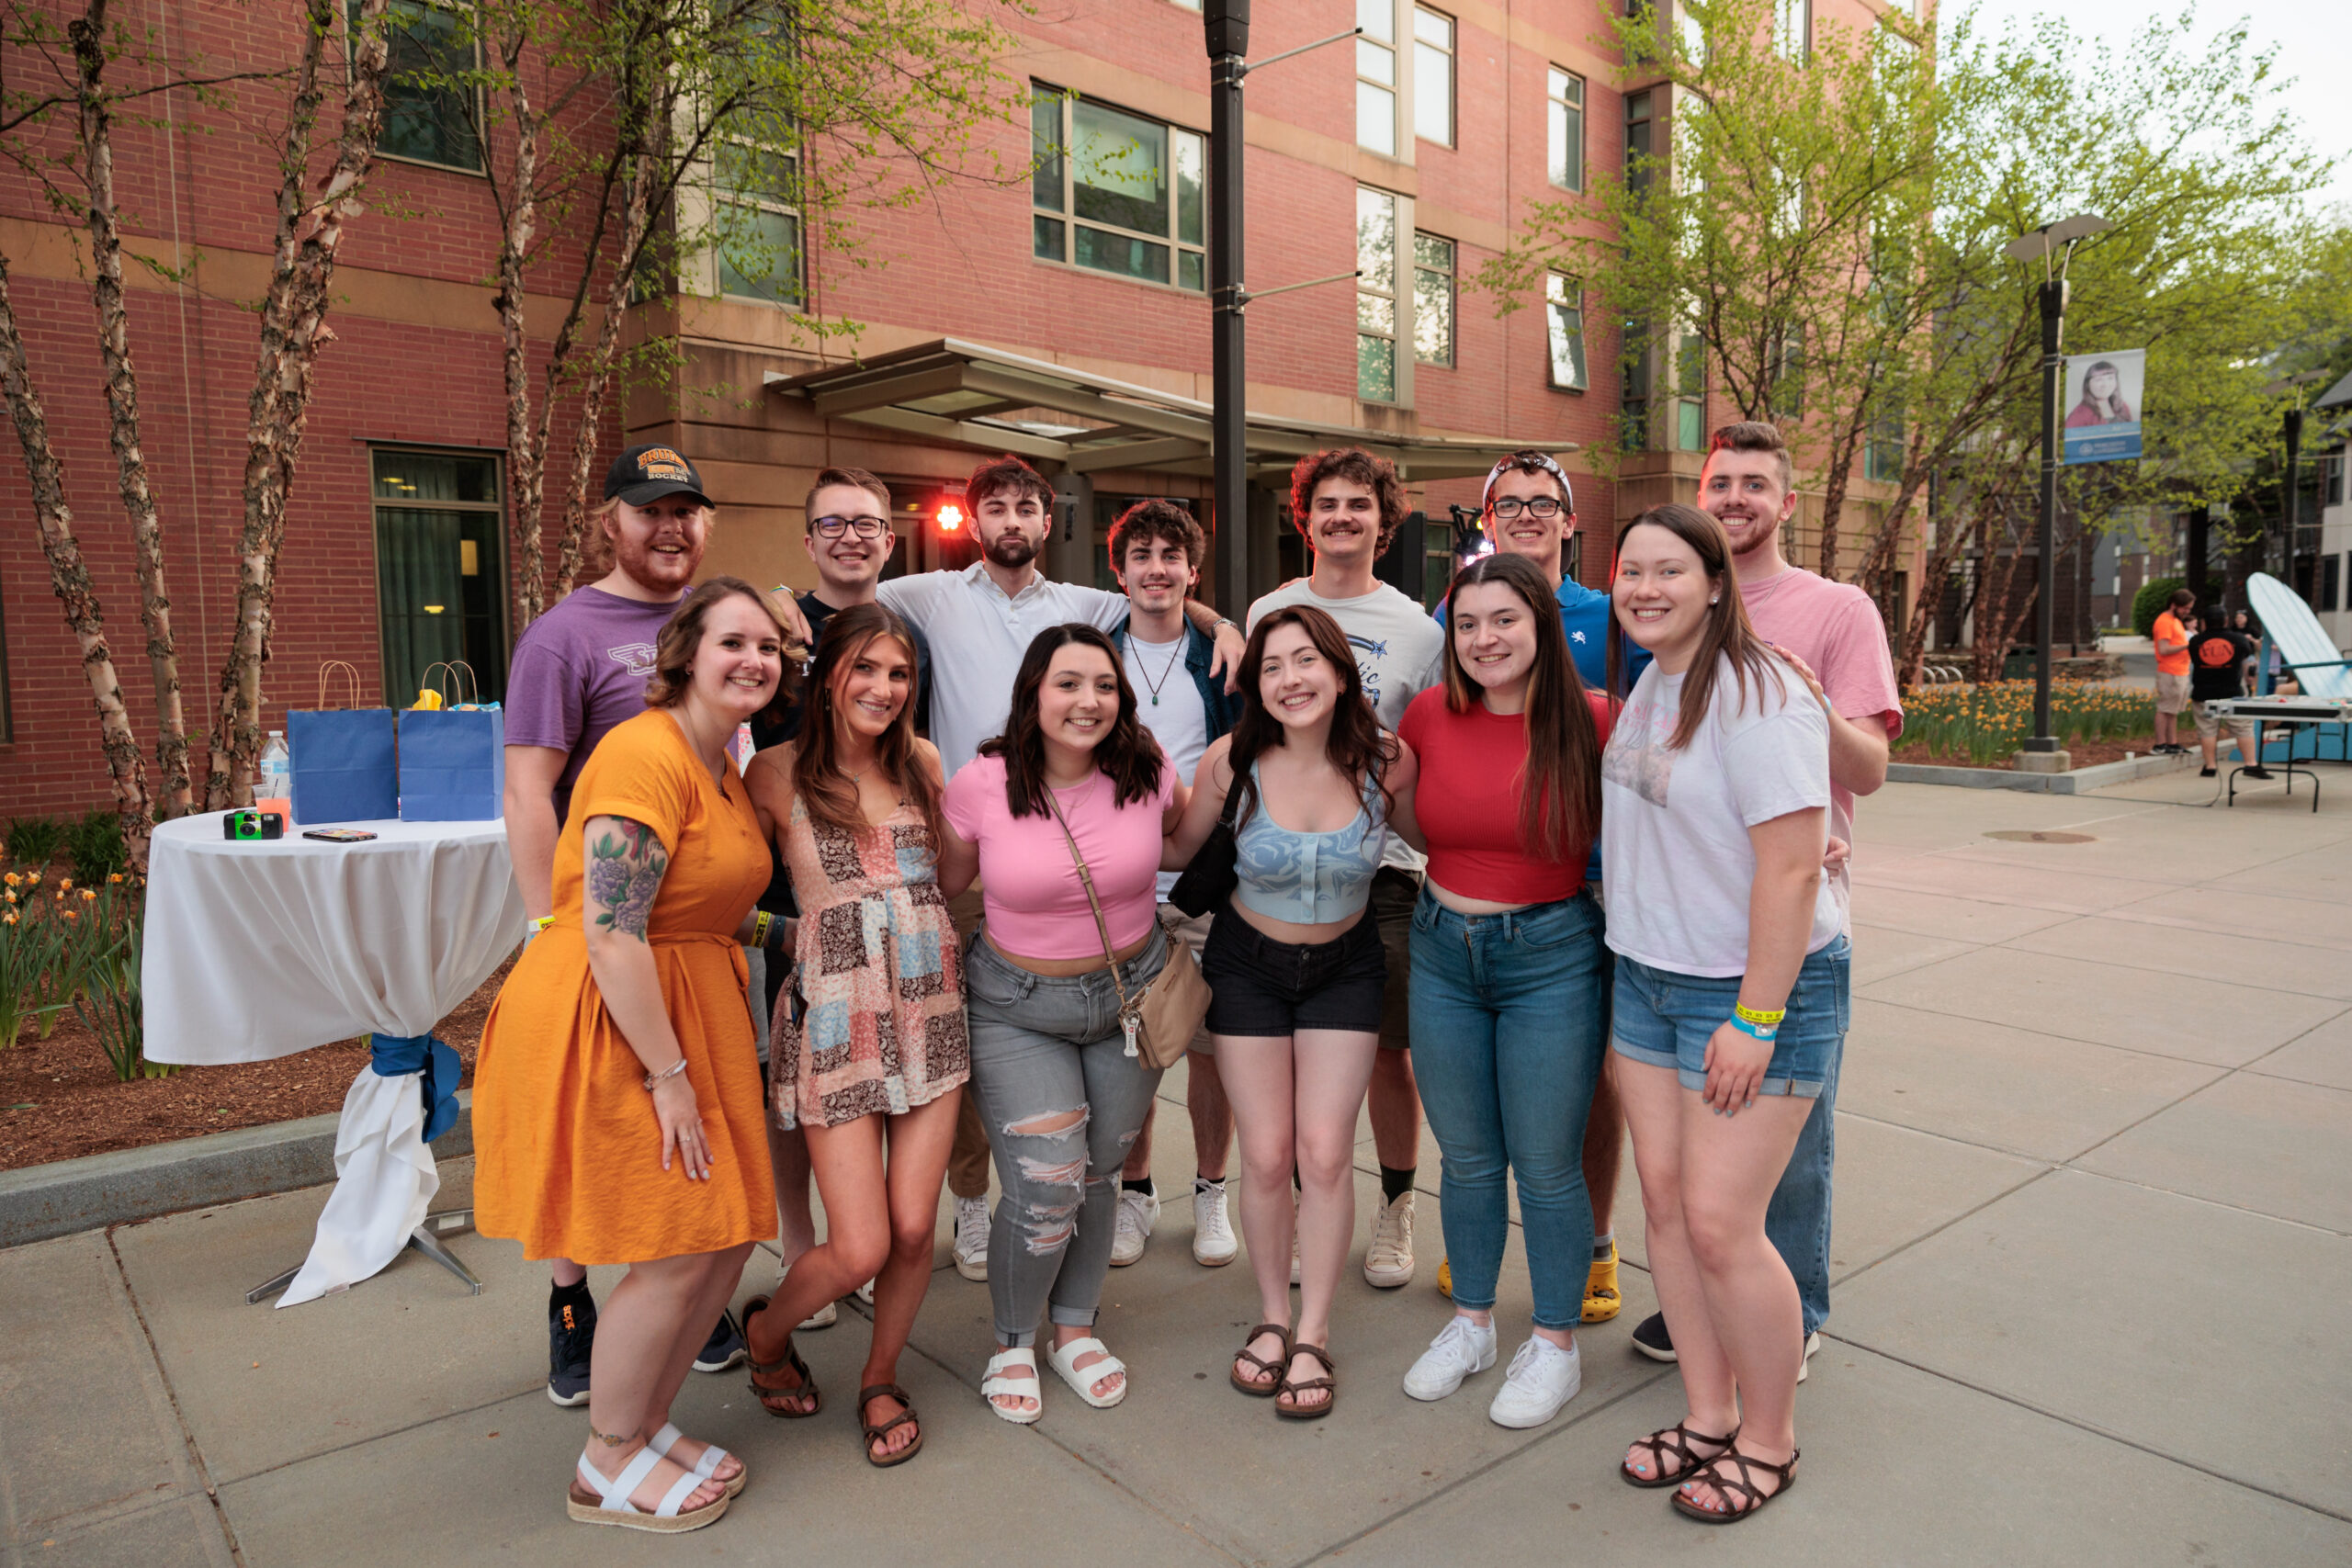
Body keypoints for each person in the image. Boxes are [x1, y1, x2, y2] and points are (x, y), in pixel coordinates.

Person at [474, 578, 802, 1533]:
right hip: (617, 1018)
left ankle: (647, 1424)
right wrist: (670, 1080)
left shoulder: (718, 762)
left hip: (686, 1004)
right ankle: (606, 1461)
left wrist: (801, 930)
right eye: (731, 642)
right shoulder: (642, 751)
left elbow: (706, 901)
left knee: (726, 1228)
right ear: (684, 655)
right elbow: (614, 931)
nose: (753, 660)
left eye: (768, 649)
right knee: (672, 1243)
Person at [877, 457, 1243, 1284]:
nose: (1012, 520)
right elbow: (850, 600)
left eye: (1028, 507)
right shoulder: (927, 594)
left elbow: (1175, 599)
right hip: (994, 841)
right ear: (974, 522)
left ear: (1050, 523)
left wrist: (1226, 628)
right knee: (968, 1042)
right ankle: (975, 1195)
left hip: (1148, 856)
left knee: (1173, 1043)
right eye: (996, 507)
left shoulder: (1084, 607)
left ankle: (1167, 1189)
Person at [500, 446, 808, 1404]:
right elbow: (529, 795)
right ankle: (606, 1415)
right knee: (656, 1225)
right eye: (650, 509)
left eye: (688, 511)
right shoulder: (574, 651)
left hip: (684, 969)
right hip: (615, 977)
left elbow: (701, 884)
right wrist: (558, 932)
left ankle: (640, 1413)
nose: (670, 526)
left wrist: (780, 935)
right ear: (612, 521)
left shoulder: (715, 743)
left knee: (702, 1229)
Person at [1627, 422, 1901, 1377]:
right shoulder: (1666, 619)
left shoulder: (1834, 613)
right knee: (1703, 1186)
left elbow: (1867, 770)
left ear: (1786, 502)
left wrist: (1807, 703)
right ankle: (1720, 1301)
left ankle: (1794, 1311)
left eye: (1754, 483)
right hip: (1685, 923)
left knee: (1786, 1151)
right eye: (1719, 482)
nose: (1734, 497)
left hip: (1783, 914)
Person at [1602, 504, 1844, 1524]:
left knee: (1720, 1224)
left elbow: (1792, 866)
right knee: (1664, 1209)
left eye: (1668, 570)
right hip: (1645, 979)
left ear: (1714, 581)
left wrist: (1753, 1020)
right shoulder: (1655, 684)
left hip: (1748, 992)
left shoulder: (1762, 691)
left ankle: (1768, 1439)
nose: (1644, 587)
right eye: (1629, 571)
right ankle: (1706, 1415)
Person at [1164, 606, 1412, 1418]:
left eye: (1307, 661)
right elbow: (1173, 847)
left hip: (1345, 966)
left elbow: (1448, 832)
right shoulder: (1230, 759)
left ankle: (1314, 1328)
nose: (1290, 679)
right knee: (1267, 1156)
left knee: (1327, 1153)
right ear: (1255, 684)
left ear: (1340, 673)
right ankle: (1272, 1315)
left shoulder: (1386, 760)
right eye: (1272, 666)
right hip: (1247, 966)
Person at [937, 624, 1187, 1422]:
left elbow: (1183, 835)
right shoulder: (982, 782)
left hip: (1129, 1000)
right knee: (1045, 1181)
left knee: (1097, 1173)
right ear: (1033, 693)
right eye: (1069, 683)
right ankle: (1013, 1339)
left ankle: (1073, 1327)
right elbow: (944, 882)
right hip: (1017, 1006)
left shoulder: (1147, 769)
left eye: (1105, 685)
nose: (1089, 701)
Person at [737, 604, 967, 1466]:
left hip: (931, 1007)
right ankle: (766, 1330)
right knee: (859, 1242)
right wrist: (780, 934)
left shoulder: (923, 764)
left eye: (898, 672)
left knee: (914, 1229)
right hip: (836, 1014)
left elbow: (949, 878)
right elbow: (722, 891)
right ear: (826, 674)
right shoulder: (770, 772)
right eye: (864, 668)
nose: (882, 687)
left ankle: (879, 1376)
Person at [1432, 450, 1649, 1325]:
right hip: (1487, 888)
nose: (1525, 513)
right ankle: (1477, 1243)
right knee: (1478, 1098)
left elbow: (1658, 730)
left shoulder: (1613, 614)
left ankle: (1595, 1244)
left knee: (1584, 1091)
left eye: (1543, 501)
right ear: (1488, 521)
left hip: (1593, 890)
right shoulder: (1456, 609)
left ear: (1569, 518)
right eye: (1508, 503)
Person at [1398, 552, 1613, 1428]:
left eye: (1504, 620)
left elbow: (1686, 800)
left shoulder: (1597, 719)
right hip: (1442, 948)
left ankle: (1555, 1343)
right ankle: (1473, 1323)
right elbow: (1416, 826)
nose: (1485, 638)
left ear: (1542, 626)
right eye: (1469, 622)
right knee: (1470, 1157)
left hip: (1553, 953)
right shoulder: (1427, 713)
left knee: (1549, 1163)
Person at [1247, 447, 1443, 1289]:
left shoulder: (1419, 628)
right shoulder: (1269, 608)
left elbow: (1428, 745)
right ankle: (1301, 1208)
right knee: (1289, 1051)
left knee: (1388, 1051)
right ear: (1305, 516)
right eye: (1325, 503)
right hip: (1283, 859)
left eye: (1358, 504)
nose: (1341, 517)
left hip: (1383, 865)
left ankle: (1396, 1205)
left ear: (1383, 518)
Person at [745, 467, 936, 1330]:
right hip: (808, 928)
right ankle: (797, 1251)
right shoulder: (772, 621)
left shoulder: (915, 620)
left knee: (905, 1219)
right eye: (834, 522)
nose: (852, 536)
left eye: (868, 523)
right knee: (801, 1107)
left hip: (915, 953)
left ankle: (878, 1357)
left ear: (889, 537)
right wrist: (772, 931)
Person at [1104, 501, 1243, 1269]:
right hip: (1118, 883)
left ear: (1192, 573)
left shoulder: (1222, 657)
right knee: (1132, 1054)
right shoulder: (1092, 653)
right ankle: (1136, 1192)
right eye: (1141, 555)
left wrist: (1224, 626)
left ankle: (1211, 1190)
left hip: (1206, 878)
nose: (1156, 567)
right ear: (1117, 571)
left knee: (1210, 1050)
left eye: (1171, 556)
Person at [2188, 605, 2269, 781]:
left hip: (2203, 691)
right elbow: (2245, 654)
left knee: (2207, 730)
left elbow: (2194, 657)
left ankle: (2210, 767)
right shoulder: (2238, 639)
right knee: (2243, 727)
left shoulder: (2195, 641)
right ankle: (2251, 764)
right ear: (2226, 620)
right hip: (2232, 691)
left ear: (2204, 622)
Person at [2152, 587, 2194, 754]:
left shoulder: (2176, 621)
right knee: (2165, 708)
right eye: (2185, 608)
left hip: (2180, 670)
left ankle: (2172, 742)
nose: (2187, 612)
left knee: (2173, 710)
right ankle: (2160, 744)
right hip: (2169, 671)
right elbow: (2163, 649)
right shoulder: (2164, 622)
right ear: (2174, 605)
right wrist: (2188, 645)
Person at [2065, 361, 2133, 428]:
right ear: (2087, 384)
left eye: (2110, 378)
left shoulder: (2122, 407)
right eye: (2099, 379)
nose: (2105, 384)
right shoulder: (2078, 415)